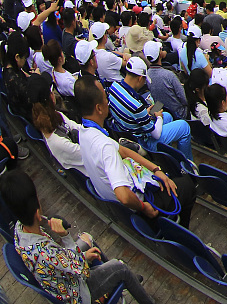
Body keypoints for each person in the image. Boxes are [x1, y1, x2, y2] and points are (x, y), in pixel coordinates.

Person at [1, 168, 158, 304]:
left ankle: (122, 279)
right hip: (77, 293)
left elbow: (62, 261)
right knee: (120, 267)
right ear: (36, 210)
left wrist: (80, 255)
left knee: (87, 238)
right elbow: (79, 270)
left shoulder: (19, 229)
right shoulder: (45, 253)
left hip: (61, 275)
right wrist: (65, 237)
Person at [76, 76, 197, 228]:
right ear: (99, 108)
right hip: (140, 204)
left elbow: (124, 151)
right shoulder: (104, 146)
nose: (107, 100)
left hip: (127, 197)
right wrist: (142, 207)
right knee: (187, 186)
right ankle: (180, 229)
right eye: (104, 98)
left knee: (164, 172)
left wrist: (155, 169)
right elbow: (124, 196)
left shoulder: (84, 131)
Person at [106, 57, 193, 159]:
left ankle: (168, 156)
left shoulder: (113, 88)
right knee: (184, 126)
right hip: (144, 142)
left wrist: (145, 114)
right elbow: (155, 134)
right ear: (139, 78)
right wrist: (158, 117)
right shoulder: (136, 106)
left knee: (168, 116)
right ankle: (188, 165)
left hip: (129, 130)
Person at [143, 40, 188, 121]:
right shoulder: (169, 75)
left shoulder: (147, 74)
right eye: (161, 49)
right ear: (160, 54)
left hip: (159, 108)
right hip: (177, 113)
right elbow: (184, 99)